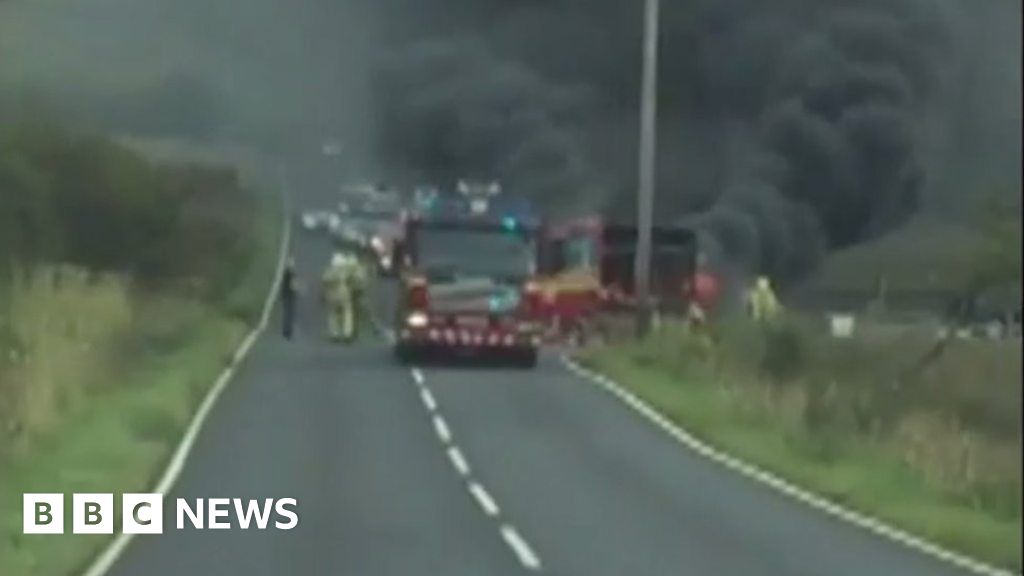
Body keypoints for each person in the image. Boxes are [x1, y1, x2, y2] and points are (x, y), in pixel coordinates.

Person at [321, 251, 367, 343]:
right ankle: (347, 334)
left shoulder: (330, 270)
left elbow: (324, 280)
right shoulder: (346, 270)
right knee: (347, 313)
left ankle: (335, 333)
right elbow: (354, 279)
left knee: (333, 315)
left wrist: (324, 294)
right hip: (344, 294)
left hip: (332, 295)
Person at [280, 256, 298, 339]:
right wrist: (298, 290)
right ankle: (288, 331)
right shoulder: (291, 273)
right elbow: (293, 284)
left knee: (286, 313)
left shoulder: (285, 273)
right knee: (289, 314)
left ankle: (285, 330)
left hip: (285, 294)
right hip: (290, 295)